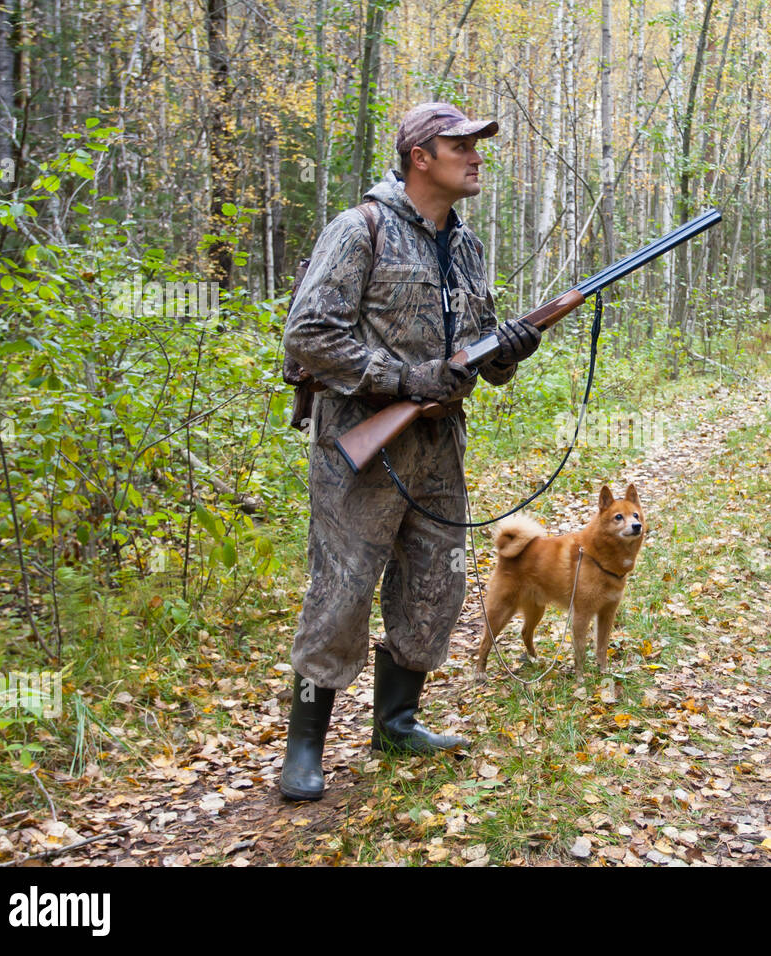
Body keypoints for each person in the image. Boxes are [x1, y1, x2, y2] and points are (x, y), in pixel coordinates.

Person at [277, 102, 542, 801]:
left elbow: (480, 352)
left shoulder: (467, 245)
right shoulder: (359, 229)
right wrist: (401, 377)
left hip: (437, 444)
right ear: (420, 155)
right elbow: (308, 335)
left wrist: (510, 353)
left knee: (436, 583)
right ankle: (304, 748)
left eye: (478, 145)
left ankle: (397, 722)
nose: (477, 155)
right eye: (462, 145)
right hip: (358, 447)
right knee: (340, 593)